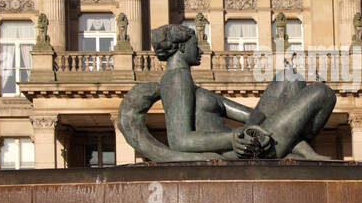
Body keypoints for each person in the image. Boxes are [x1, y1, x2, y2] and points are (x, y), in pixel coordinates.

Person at [118, 24, 335, 162]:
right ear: (182, 48)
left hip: (250, 138)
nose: (201, 50)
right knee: (322, 92)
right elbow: (180, 140)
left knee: (289, 79)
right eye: (196, 44)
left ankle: (295, 147)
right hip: (246, 149)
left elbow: (251, 116)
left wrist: (258, 129)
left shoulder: (187, 82)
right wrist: (233, 138)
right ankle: (293, 149)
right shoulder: (176, 79)